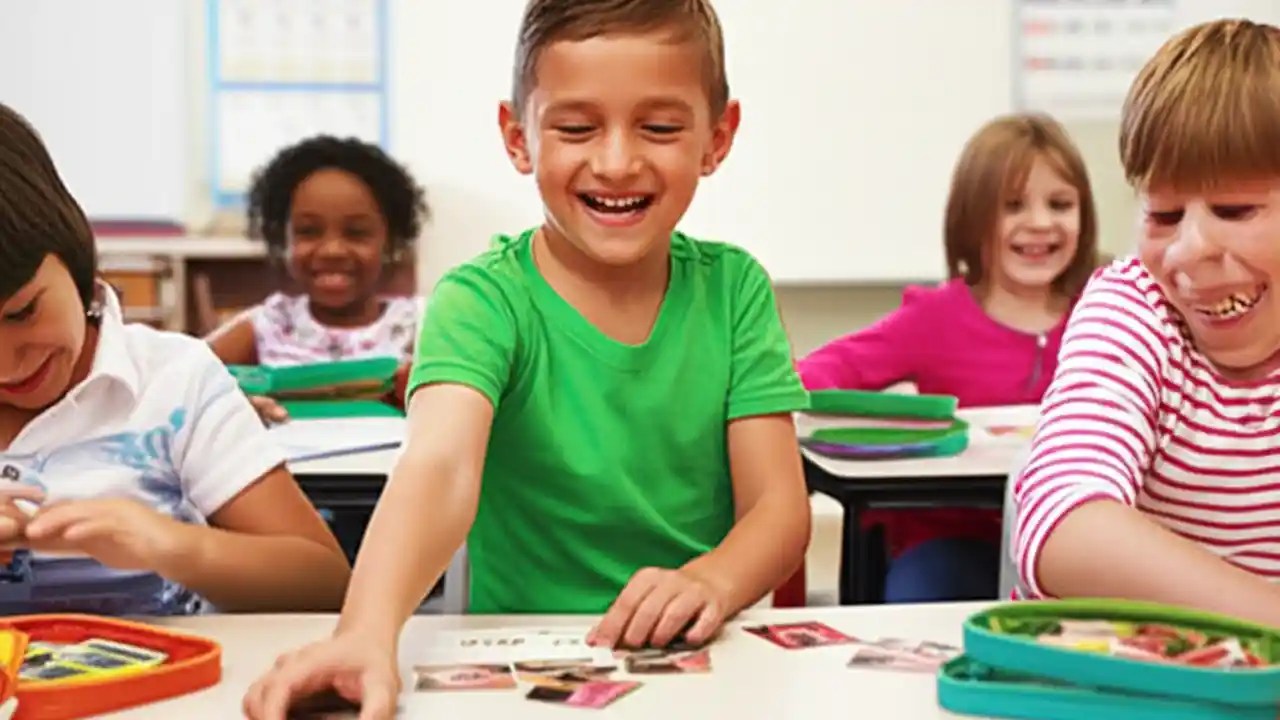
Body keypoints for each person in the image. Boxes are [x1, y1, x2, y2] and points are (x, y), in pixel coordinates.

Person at [243, 1, 811, 717]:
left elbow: (778, 507)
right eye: (576, 128)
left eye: (660, 128)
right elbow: (438, 468)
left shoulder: (736, 290)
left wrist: (712, 581)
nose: (615, 162)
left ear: (716, 137)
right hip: (522, 668)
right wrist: (365, 631)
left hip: (703, 659)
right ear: (519, 137)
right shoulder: (483, 300)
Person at [0, 102, 350, 615]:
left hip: (167, 688)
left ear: (74, 255)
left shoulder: (173, 381)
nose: (7, 365)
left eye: (23, 313)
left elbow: (325, 584)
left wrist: (172, 545)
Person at [1012, 18, 1280, 628]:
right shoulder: (1135, 309)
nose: (1188, 251)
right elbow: (1063, 523)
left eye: (1235, 210)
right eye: (1162, 214)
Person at [799, 113, 1099, 602]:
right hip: (951, 542)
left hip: (1072, 542)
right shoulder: (936, 316)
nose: (1041, 223)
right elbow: (816, 375)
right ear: (973, 217)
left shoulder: (1108, 311)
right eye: (1014, 206)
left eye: (1060, 204)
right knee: (921, 604)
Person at [206, 135, 428, 422]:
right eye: (308, 231)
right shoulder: (268, 324)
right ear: (281, 237)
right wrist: (232, 405)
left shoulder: (421, 328)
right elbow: (176, 381)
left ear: (391, 241)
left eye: (356, 233)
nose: (332, 250)